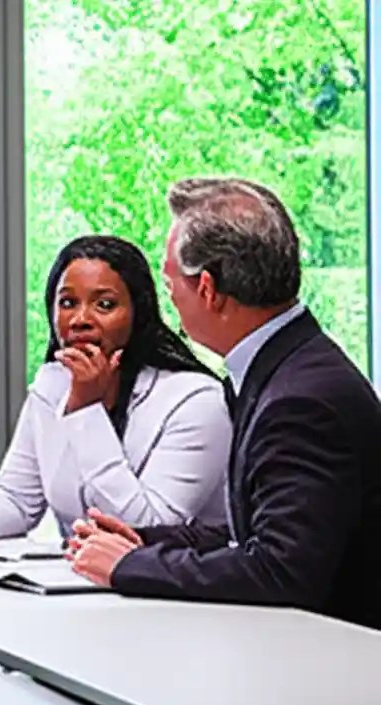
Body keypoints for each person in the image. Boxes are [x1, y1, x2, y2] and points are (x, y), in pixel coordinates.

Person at [68, 178, 381, 630]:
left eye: (170, 277)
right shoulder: (288, 369)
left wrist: (130, 567)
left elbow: (282, 570)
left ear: (209, 290)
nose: (167, 294)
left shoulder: (300, 401)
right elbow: (252, 533)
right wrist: (144, 542)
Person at [0, 235, 230, 541]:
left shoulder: (195, 401)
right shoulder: (53, 384)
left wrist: (84, 411)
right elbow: (17, 499)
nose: (80, 319)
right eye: (67, 303)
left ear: (138, 314)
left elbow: (146, 528)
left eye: (105, 305)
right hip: (83, 593)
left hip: (180, 600)